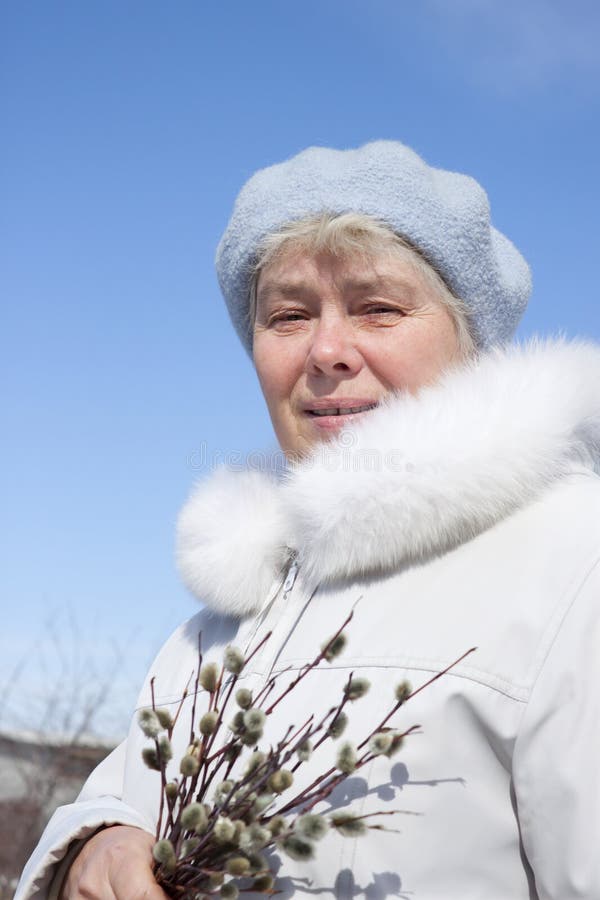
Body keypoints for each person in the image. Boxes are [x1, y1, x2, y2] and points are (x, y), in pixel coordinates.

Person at [16, 141, 600, 900]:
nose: (326, 350)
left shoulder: (571, 559)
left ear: (471, 337)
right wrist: (93, 846)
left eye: (378, 308)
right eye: (288, 316)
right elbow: (121, 794)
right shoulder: (225, 613)